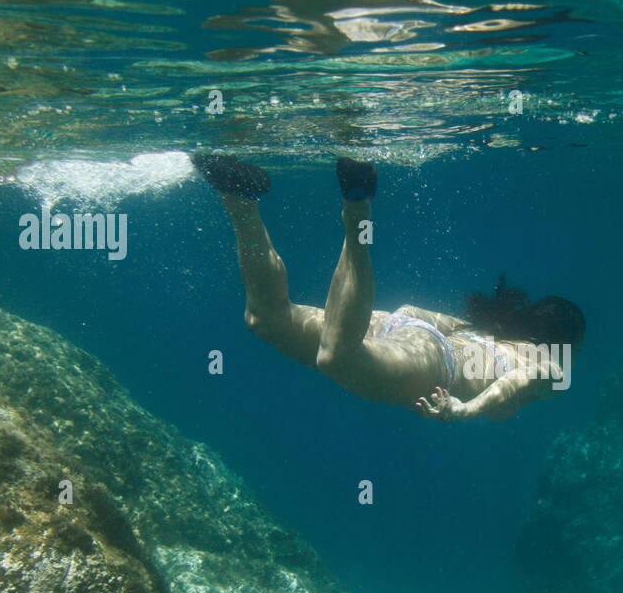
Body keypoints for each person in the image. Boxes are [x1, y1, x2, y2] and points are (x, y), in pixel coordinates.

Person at [192, 153, 585, 421]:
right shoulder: (553, 367)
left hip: (410, 331)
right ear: (566, 341)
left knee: (266, 319)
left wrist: (419, 323)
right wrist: (466, 411)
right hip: (434, 364)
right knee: (336, 358)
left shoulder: (490, 335)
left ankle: (240, 196)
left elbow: (436, 323)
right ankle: (357, 205)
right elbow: (516, 383)